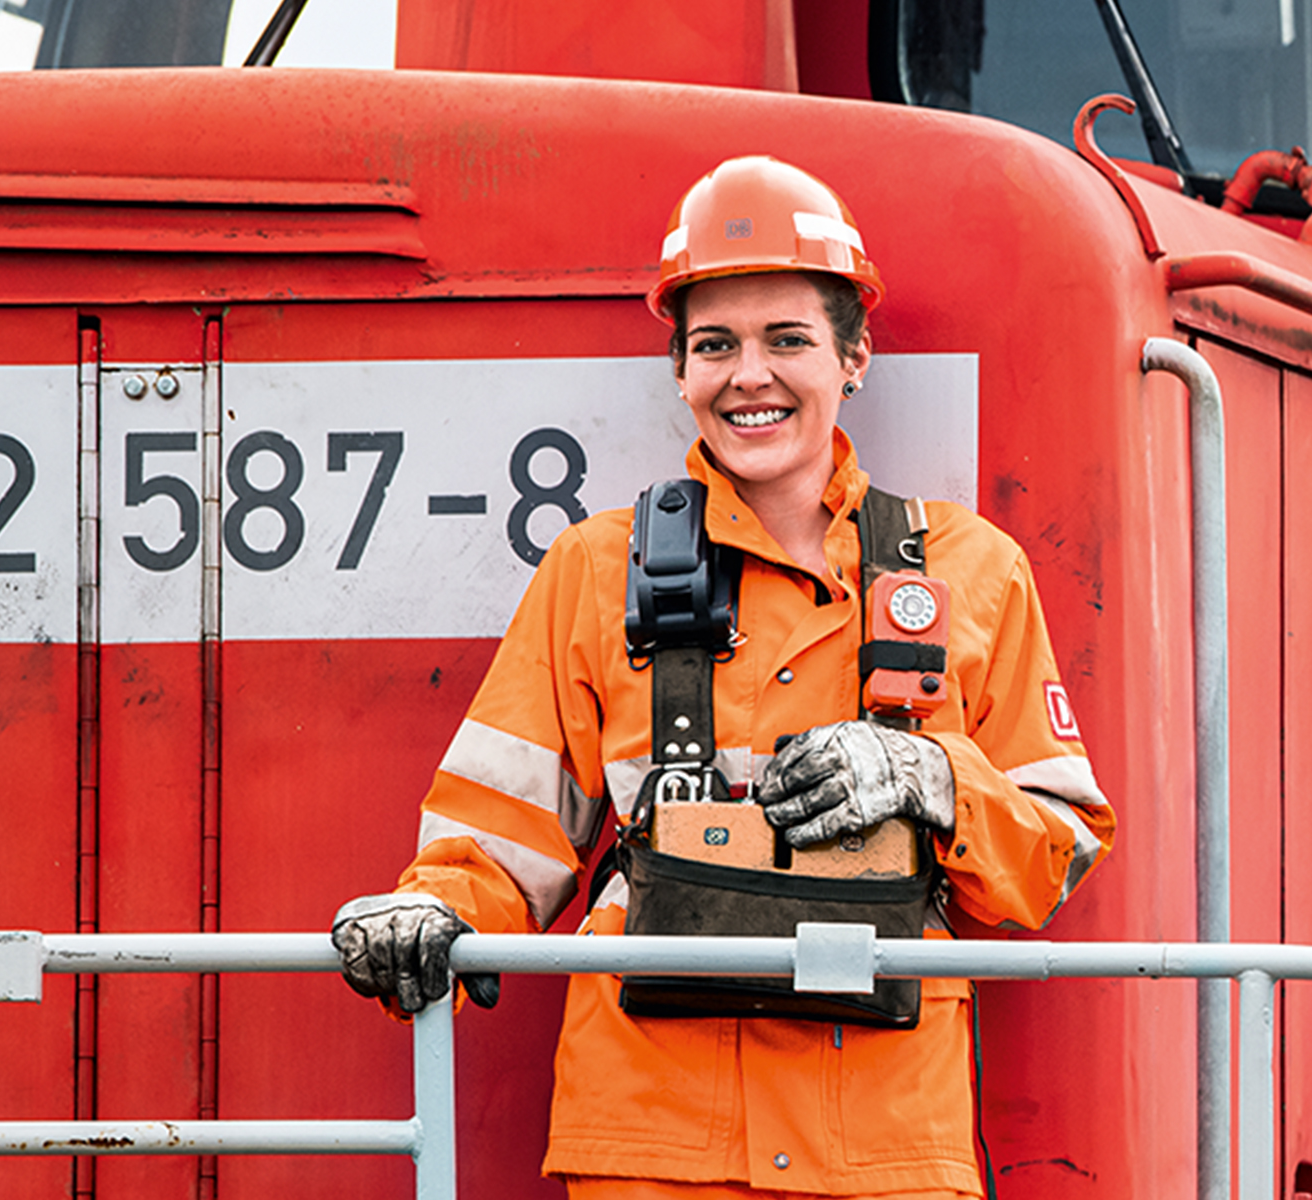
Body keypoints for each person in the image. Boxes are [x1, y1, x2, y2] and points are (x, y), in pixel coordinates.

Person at [332, 156, 1116, 1199]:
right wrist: (429, 913)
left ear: (856, 356)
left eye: (788, 339)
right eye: (716, 346)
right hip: (652, 1149)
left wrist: (929, 777)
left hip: (884, 1154)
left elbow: (1055, 853)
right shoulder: (594, 570)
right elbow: (500, 831)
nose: (750, 376)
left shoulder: (974, 571)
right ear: (682, 372)